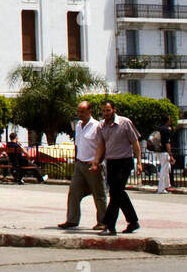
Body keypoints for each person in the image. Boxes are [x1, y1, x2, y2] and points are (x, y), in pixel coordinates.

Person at [92, 100, 142, 235]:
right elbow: (101, 145)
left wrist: (139, 162)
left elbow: (135, 142)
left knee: (115, 193)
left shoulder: (125, 123)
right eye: (103, 111)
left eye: (108, 110)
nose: (105, 113)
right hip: (111, 162)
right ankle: (133, 221)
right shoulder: (101, 126)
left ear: (114, 110)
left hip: (124, 162)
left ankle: (109, 225)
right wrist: (96, 161)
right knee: (118, 193)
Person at [59, 100, 107, 230]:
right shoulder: (78, 126)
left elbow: (102, 145)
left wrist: (97, 161)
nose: (80, 114)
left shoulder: (97, 126)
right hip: (80, 164)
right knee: (73, 192)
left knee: (99, 194)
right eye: (78, 112)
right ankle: (72, 220)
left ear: (89, 111)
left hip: (93, 164)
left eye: (83, 112)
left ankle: (103, 221)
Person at [155, 115, 174, 194]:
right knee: (164, 169)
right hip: (163, 152)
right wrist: (170, 154)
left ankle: (167, 186)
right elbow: (167, 143)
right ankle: (161, 188)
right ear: (167, 121)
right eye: (169, 120)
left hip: (157, 151)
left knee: (166, 168)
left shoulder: (159, 128)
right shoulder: (165, 129)